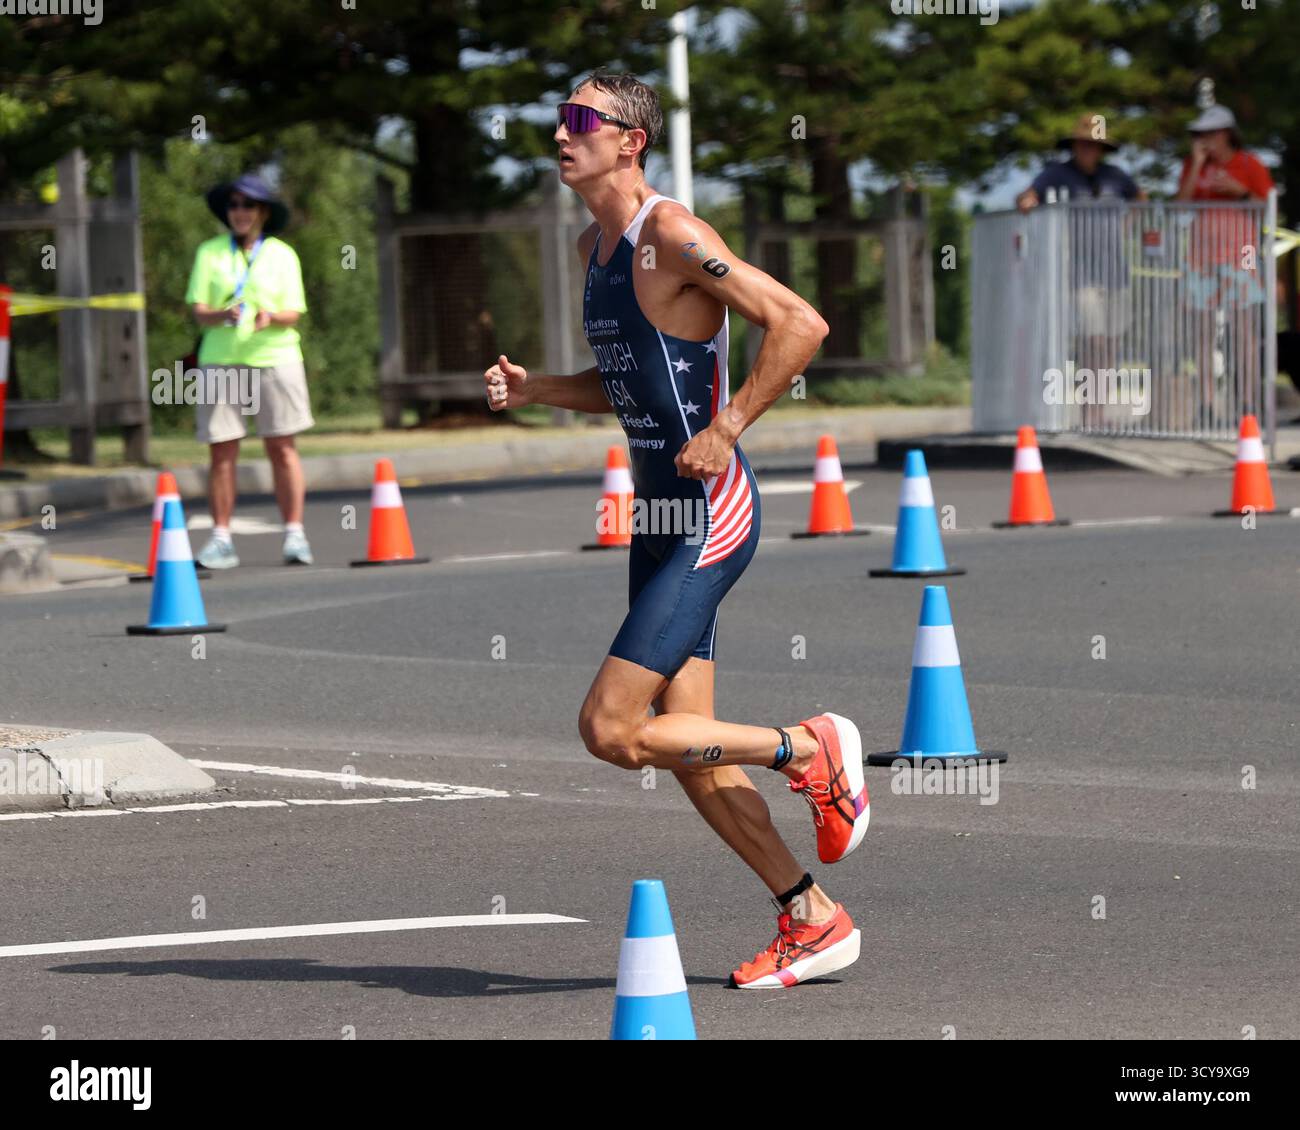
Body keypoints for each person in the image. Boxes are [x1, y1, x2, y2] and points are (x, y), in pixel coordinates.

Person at [483, 70, 869, 989]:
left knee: (612, 730)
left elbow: (799, 322)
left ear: (630, 141)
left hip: (711, 510)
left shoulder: (673, 232)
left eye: (582, 121)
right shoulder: (595, 245)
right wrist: (540, 389)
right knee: (689, 744)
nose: (562, 135)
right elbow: (625, 385)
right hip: (658, 517)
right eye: (559, 120)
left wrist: (727, 425)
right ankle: (811, 916)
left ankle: (807, 747)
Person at [186, 173, 314, 568]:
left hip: (276, 357)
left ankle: (295, 534)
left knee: (282, 448)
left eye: (248, 205)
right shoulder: (209, 253)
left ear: (262, 212)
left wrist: (270, 317)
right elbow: (198, 311)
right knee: (222, 450)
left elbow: (294, 312)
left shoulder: (281, 254)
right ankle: (221, 539)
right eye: (234, 205)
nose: (240, 212)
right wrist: (223, 313)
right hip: (221, 359)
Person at [1016, 113, 1146, 428]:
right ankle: (1091, 412)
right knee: (1093, 340)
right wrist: (1028, 202)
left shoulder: (1115, 176)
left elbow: (1140, 197)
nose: (1089, 150)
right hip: (1081, 274)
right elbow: (1027, 196)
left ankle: (1101, 408)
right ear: (1075, 145)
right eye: (1084, 144)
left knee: (1113, 343)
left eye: (1095, 145)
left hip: (1115, 272)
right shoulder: (1057, 175)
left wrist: (1129, 226)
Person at [1175, 106, 1275, 428]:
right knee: (1201, 335)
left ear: (1226, 134)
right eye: (1200, 135)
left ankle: (1247, 402)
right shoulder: (1193, 165)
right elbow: (1180, 206)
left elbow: (1268, 206)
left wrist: (1240, 191)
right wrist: (1198, 166)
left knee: (1244, 333)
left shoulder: (1250, 164)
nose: (1204, 140)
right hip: (1200, 258)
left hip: (1241, 256)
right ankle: (1205, 403)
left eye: (1210, 134)